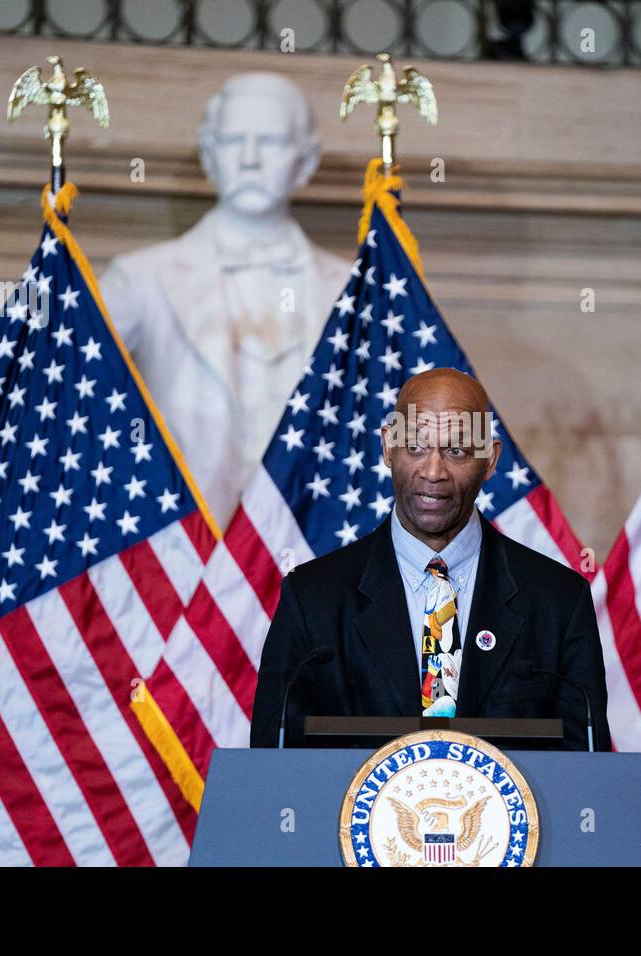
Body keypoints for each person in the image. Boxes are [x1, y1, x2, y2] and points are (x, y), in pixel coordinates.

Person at [250, 368, 611, 751]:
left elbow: (585, 776)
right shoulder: (313, 599)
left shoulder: (558, 601)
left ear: (490, 460)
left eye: (456, 450)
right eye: (416, 446)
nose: (434, 472)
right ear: (388, 447)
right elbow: (276, 769)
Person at [101, 72, 349, 527]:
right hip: (187, 544)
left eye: (271, 141)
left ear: (306, 161)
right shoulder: (139, 279)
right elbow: (72, 393)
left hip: (315, 539)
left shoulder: (352, 289)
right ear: (210, 155)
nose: (251, 160)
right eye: (235, 141)